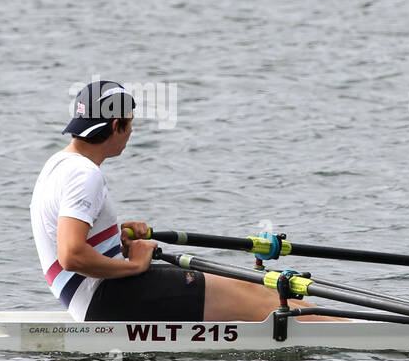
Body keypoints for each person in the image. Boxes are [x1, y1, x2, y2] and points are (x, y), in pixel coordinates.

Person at [30, 80, 327, 322]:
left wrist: (115, 242)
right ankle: (354, 332)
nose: (131, 133)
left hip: (101, 297)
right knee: (262, 296)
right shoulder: (84, 174)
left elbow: (76, 244)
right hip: (109, 300)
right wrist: (133, 267)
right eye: (131, 125)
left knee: (256, 287)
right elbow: (72, 255)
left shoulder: (58, 164)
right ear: (118, 123)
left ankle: (343, 325)